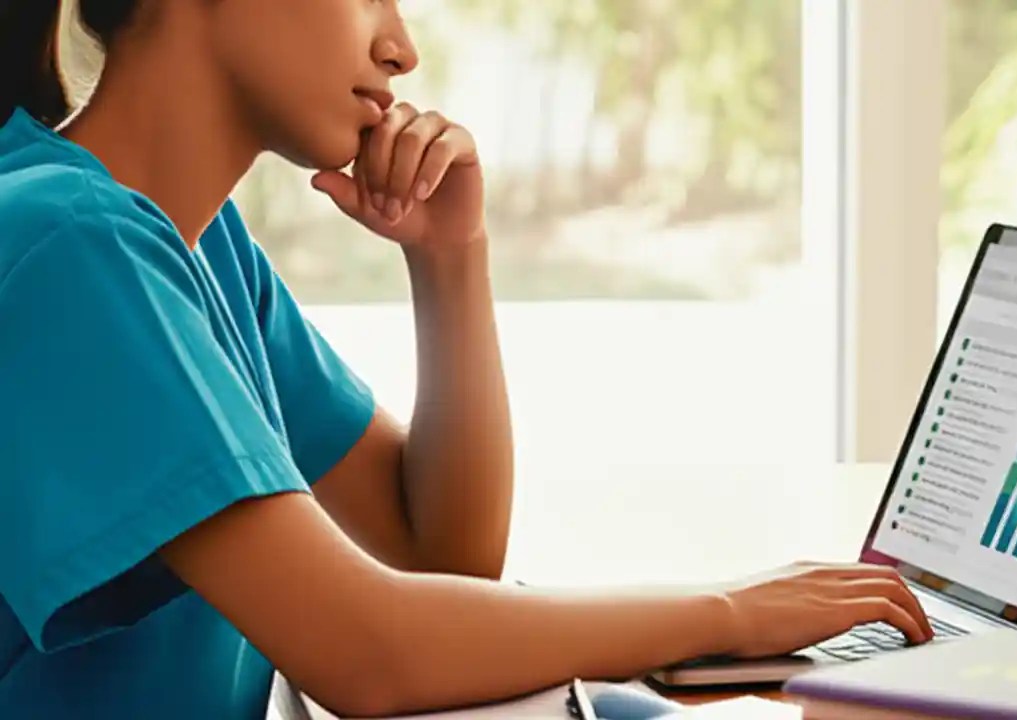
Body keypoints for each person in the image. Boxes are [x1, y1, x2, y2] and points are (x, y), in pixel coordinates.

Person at [0, 1, 934, 717]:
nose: (400, 47)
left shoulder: (199, 250)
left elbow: (439, 556)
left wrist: (450, 260)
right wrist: (728, 612)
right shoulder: (67, 242)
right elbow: (368, 652)